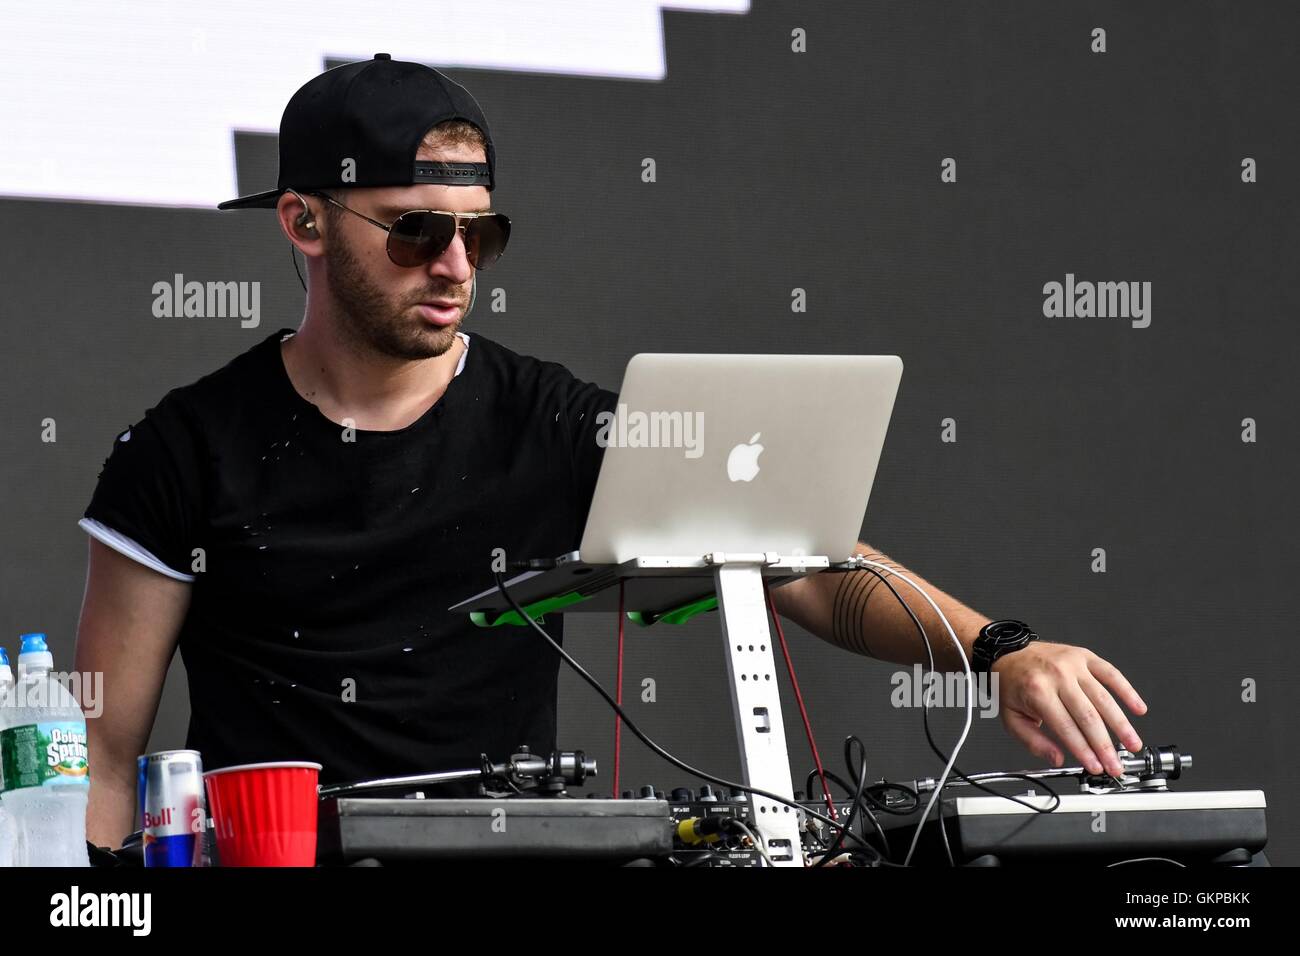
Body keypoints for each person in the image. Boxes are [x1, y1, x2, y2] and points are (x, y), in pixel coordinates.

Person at [73, 55, 1147, 850]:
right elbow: (101, 753)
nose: (454, 263)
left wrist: (996, 648)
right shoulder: (180, 450)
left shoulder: (553, 420)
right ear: (303, 223)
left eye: (478, 234)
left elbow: (799, 557)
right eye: (414, 232)